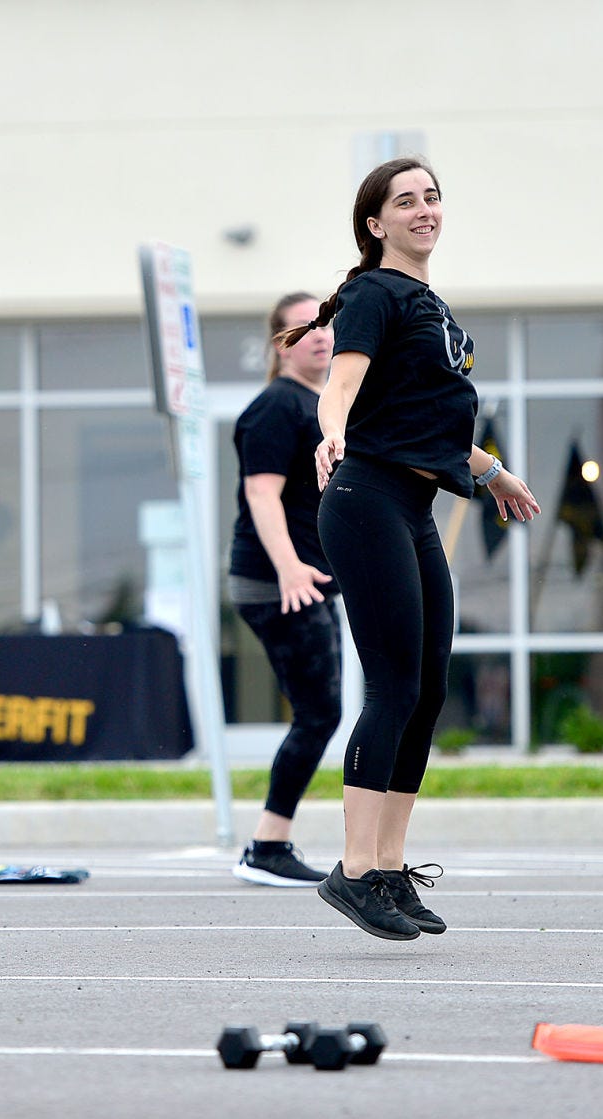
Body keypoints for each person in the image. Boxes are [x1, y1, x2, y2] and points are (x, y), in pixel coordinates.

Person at [281, 155, 539, 941]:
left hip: (414, 503)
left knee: (425, 689)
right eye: (405, 200)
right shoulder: (373, 292)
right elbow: (344, 386)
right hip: (366, 498)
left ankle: (388, 865)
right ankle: (354, 869)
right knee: (391, 684)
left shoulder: (430, 304)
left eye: (431, 197)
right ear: (374, 223)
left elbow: (429, 422)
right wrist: (329, 435)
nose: (423, 209)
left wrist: (492, 471)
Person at [227, 292, 342, 886]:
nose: (319, 335)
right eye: (302, 328)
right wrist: (291, 567)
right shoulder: (277, 406)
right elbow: (261, 493)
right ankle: (268, 847)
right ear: (281, 343)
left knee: (321, 711)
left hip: (309, 581)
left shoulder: (323, 404)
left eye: (325, 324)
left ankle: (270, 844)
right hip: (279, 584)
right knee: (320, 711)